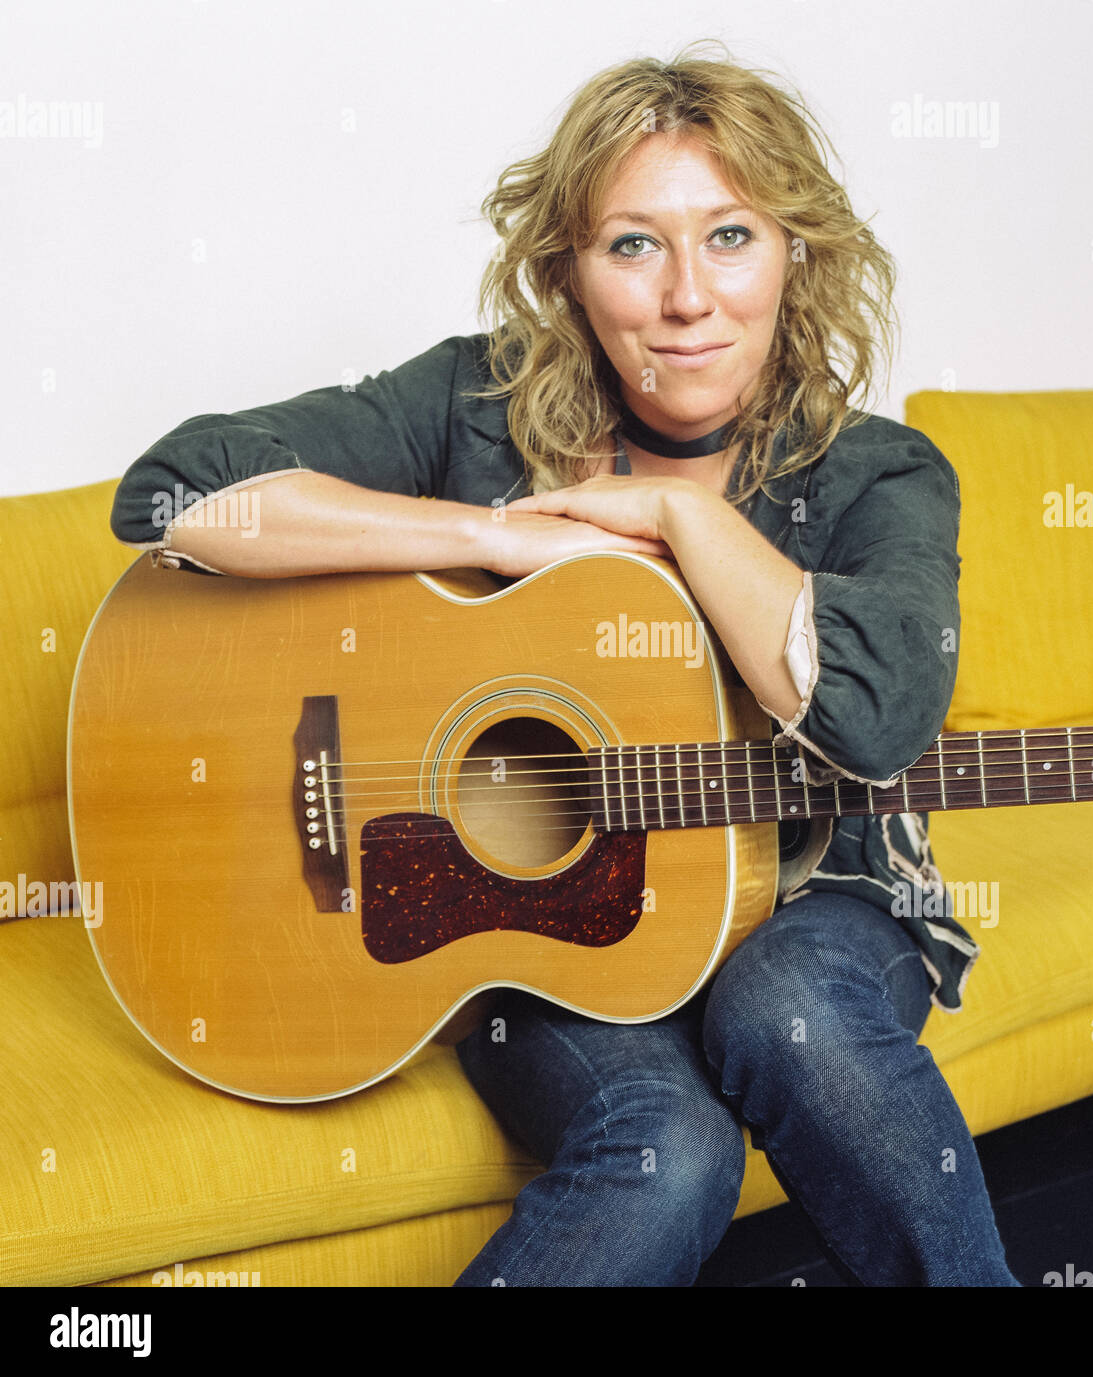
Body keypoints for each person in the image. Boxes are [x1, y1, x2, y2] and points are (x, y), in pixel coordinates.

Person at [109, 42, 1017, 1286]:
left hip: (815, 892)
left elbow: (874, 717)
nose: (687, 297)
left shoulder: (879, 473)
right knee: (670, 1148)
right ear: (569, 274)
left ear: (796, 252)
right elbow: (178, 496)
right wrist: (487, 533)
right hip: (536, 930)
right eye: (633, 244)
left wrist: (685, 522)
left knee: (784, 1018)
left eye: (732, 237)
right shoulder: (472, 407)